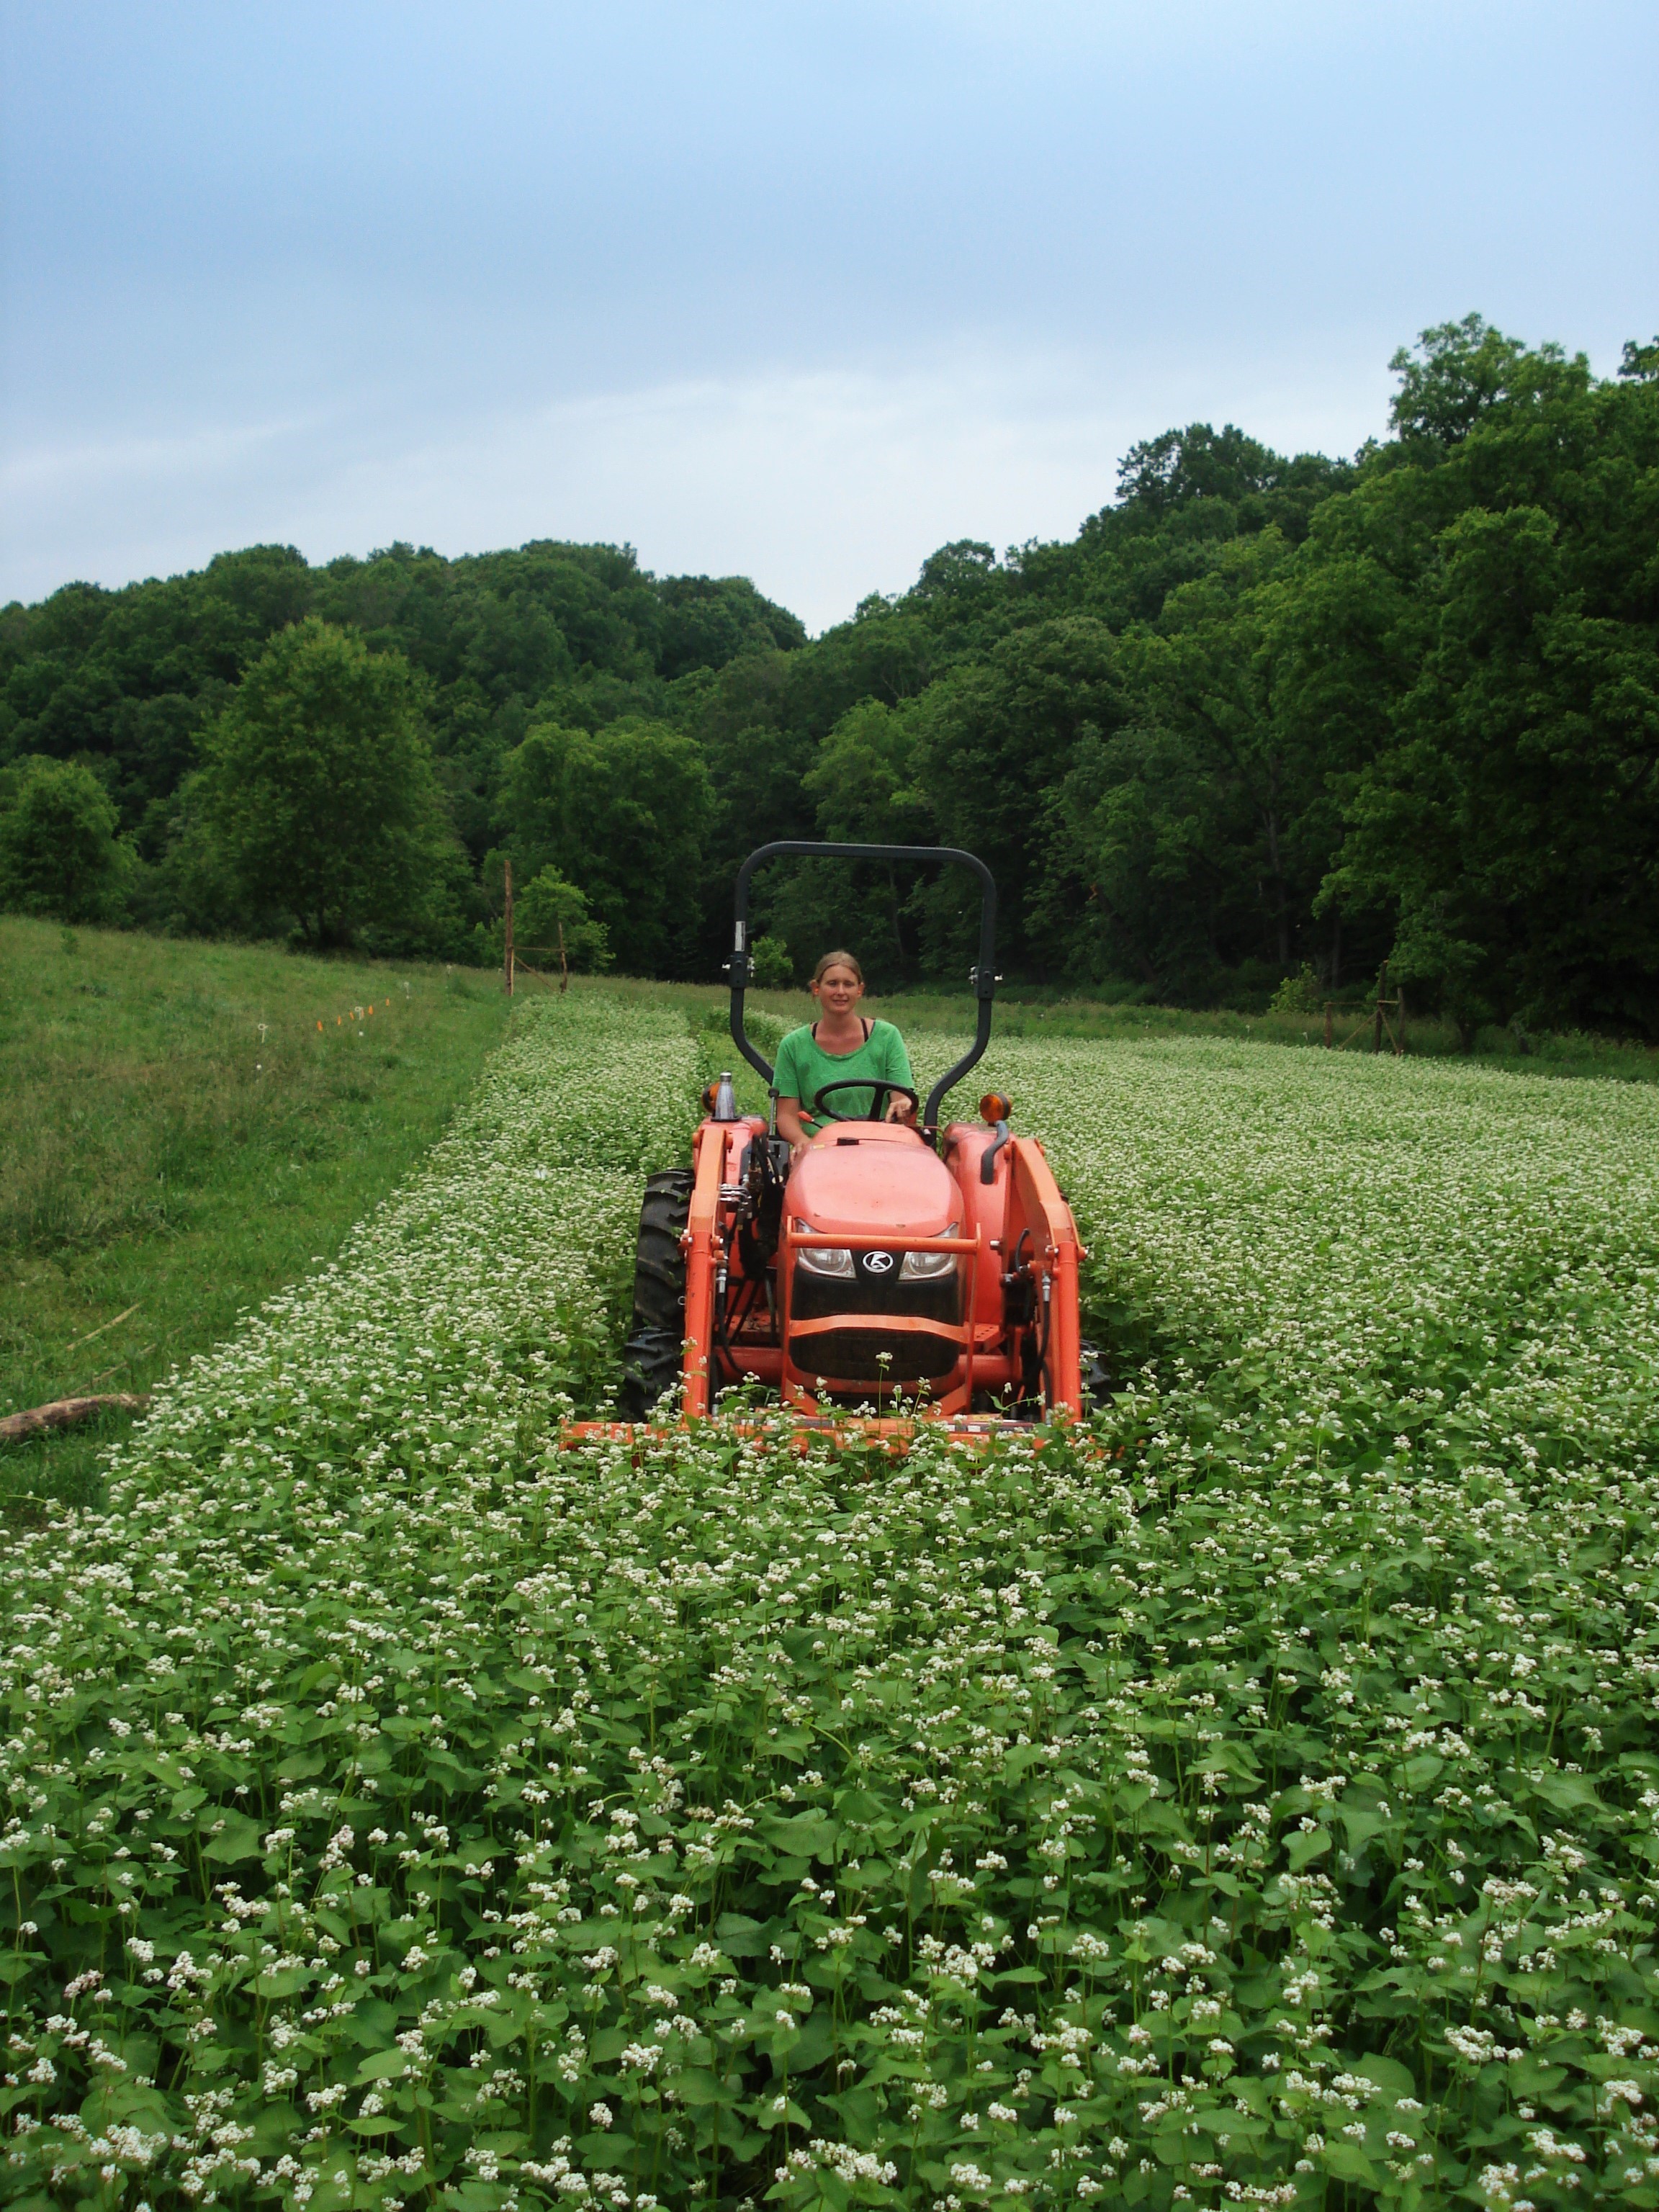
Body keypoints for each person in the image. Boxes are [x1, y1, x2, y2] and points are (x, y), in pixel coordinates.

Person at [773, 951, 916, 1161]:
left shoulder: (887, 1037)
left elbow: (901, 1097)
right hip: (821, 1148)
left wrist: (903, 1105)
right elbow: (786, 1115)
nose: (840, 991)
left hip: (879, 1146)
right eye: (832, 983)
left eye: (848, 984)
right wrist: (802, 1141)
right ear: (816, 988)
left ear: (859, 990)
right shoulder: (793, 1046)